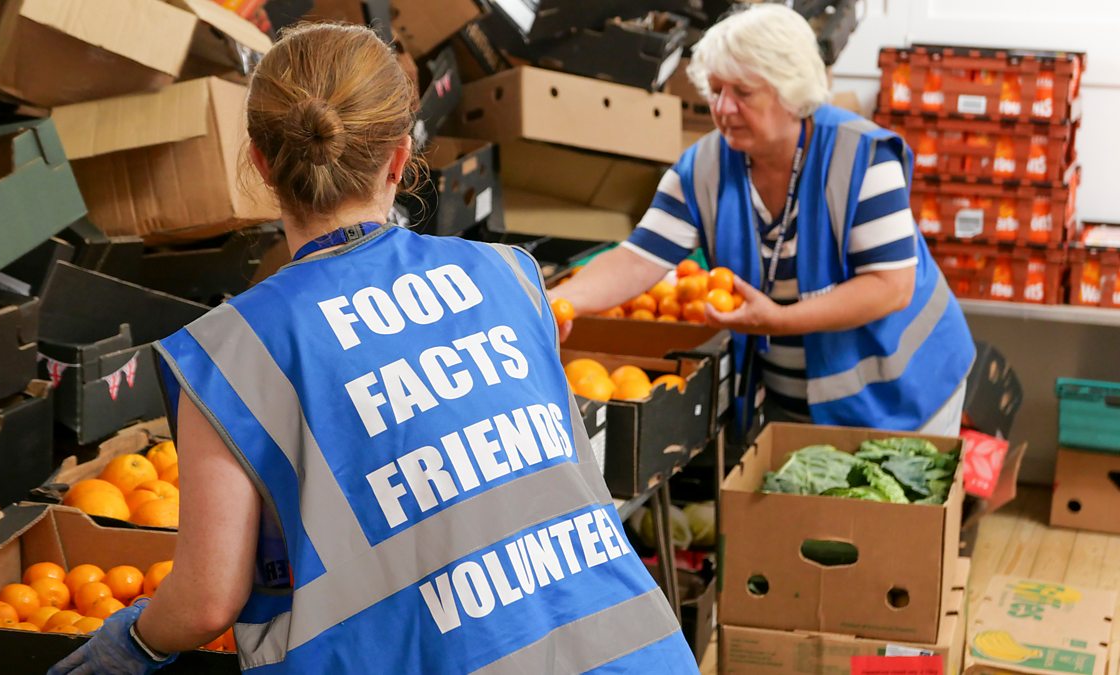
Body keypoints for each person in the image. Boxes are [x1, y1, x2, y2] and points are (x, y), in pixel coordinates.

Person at [48, 23, 696, 675]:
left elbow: (207, 600)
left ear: (260, 160)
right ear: (398, 157)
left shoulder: (231, 352)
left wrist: (130, 643)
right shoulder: (511, 274)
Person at [551, 5, 974, 435]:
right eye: (715, 90)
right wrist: (561, 304)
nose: (723, 108)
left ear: (790, 90)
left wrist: (777, 320)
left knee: (893, 501)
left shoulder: (861, 157)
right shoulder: (703, 167)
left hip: (904, 391)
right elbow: (637, 259)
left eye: (743, 92)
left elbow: (891, 287)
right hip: (798, 401)